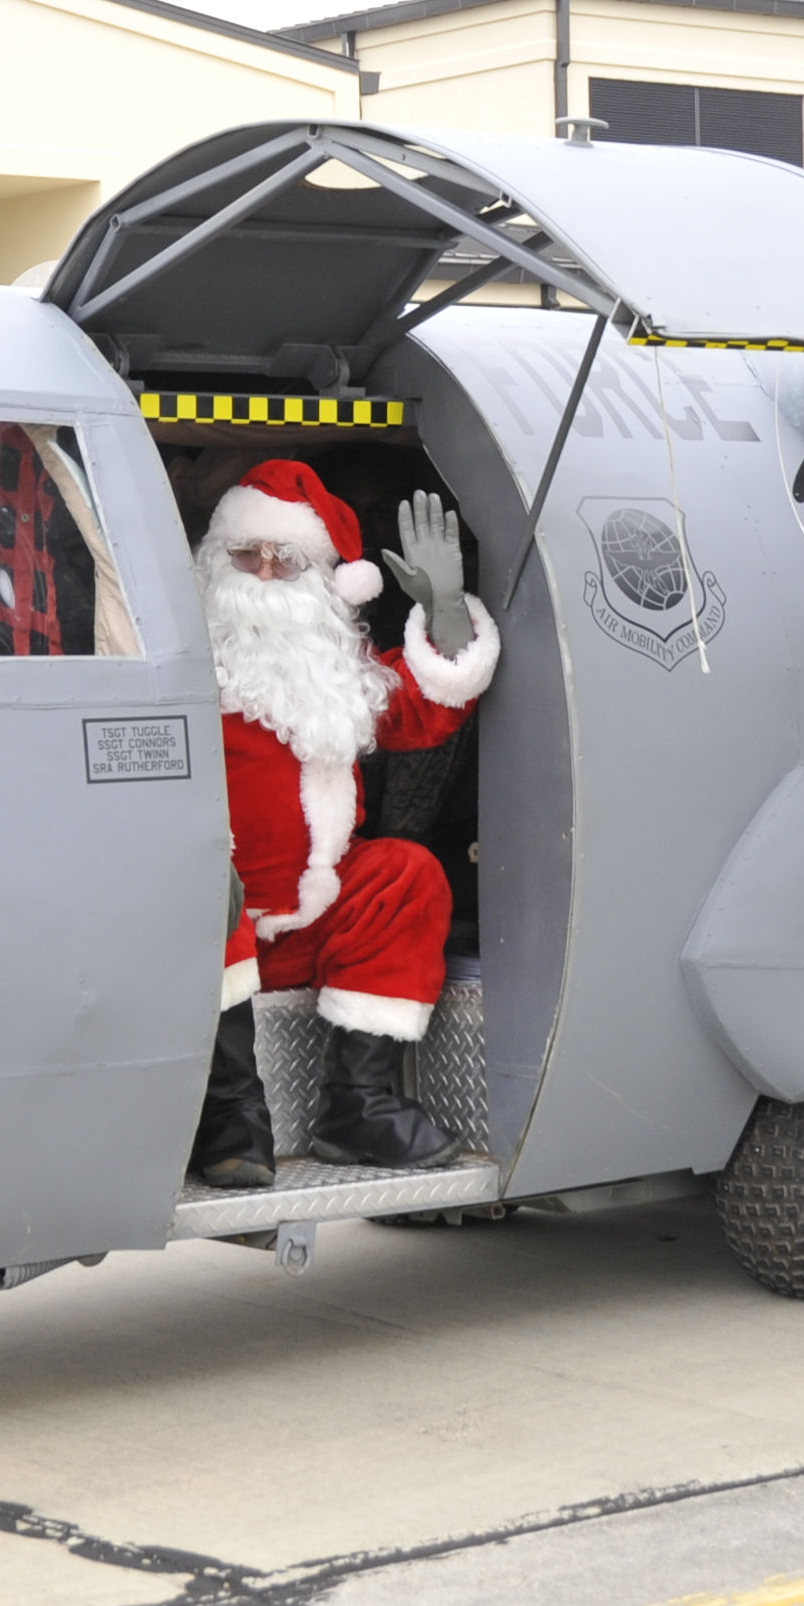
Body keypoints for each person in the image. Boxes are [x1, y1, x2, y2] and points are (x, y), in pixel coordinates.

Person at [187, 460, 500, 1186]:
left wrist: (448, 608)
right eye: (247, 553)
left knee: (404, 875)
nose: (265, 570)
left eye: (287, 556)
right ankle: (233, 1116)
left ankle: (358, 1106)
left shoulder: (336, 674)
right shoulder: (186, 670)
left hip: (314, 922)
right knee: (202, 879)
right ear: (216, 561)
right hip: (209, 933)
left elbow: (426, 708)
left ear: (323, 576)